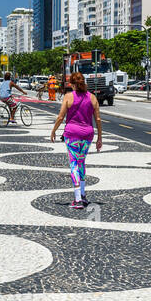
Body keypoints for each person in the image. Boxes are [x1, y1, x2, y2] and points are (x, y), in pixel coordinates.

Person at [50, 71, 102, 210]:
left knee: (73, 164)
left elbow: (61, 117)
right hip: (87, 135)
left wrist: (54, 131)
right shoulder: (92, 97)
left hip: (72, 134)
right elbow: (97, 119)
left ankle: (77, 198)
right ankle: (83, 195)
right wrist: (99, 138)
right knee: (81, 162)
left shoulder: (68, 96)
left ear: (73, 84)